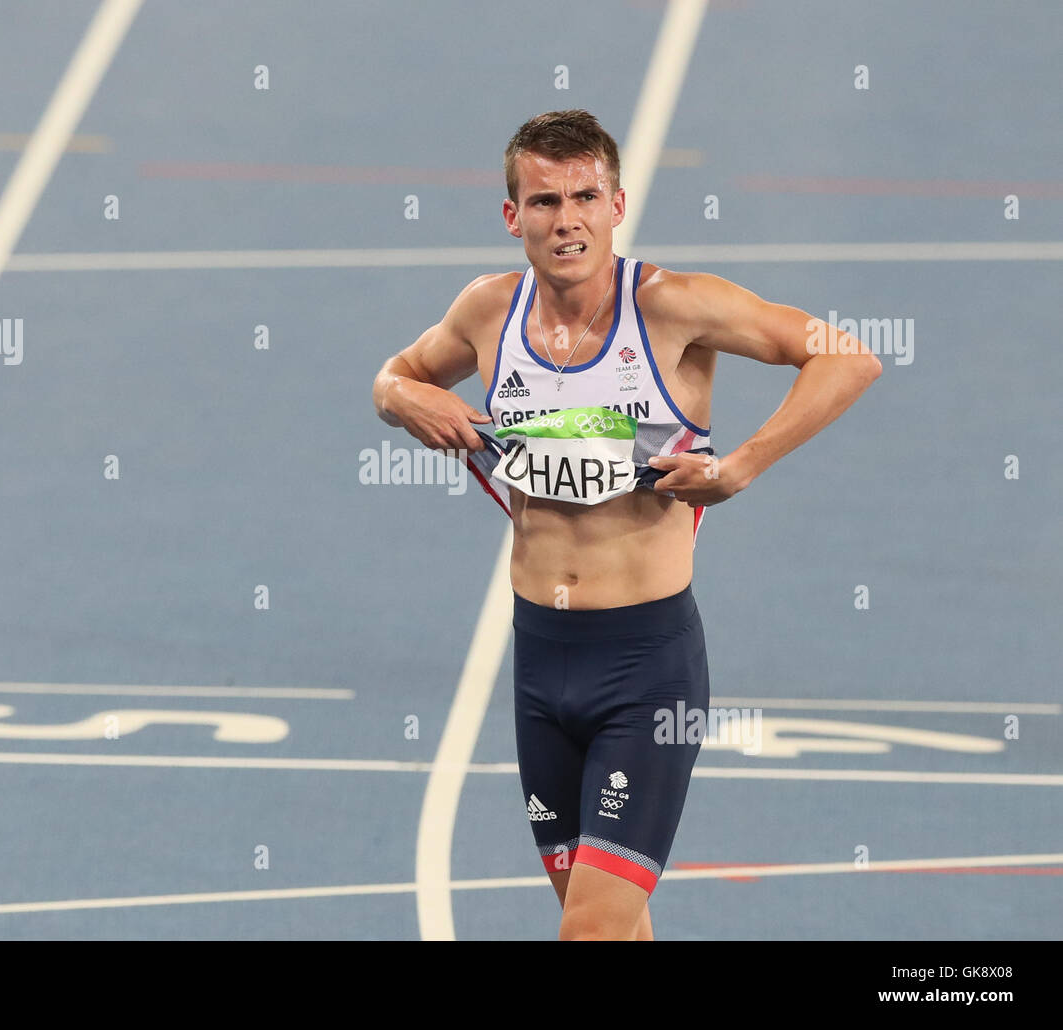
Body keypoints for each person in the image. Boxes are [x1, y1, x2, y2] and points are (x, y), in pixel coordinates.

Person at [371, 109, 881, 940]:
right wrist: (402, 397)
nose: (565, 219)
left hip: (646, 671)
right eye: (543, 202)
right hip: (540, 663)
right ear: (513, 217)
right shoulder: (486, 314)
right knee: (613, 925)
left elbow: (846, 354)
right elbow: (394, 376)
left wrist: (742, 463)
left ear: (616, 205)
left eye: (584, 198)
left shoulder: (676, 307)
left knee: (591, 933)